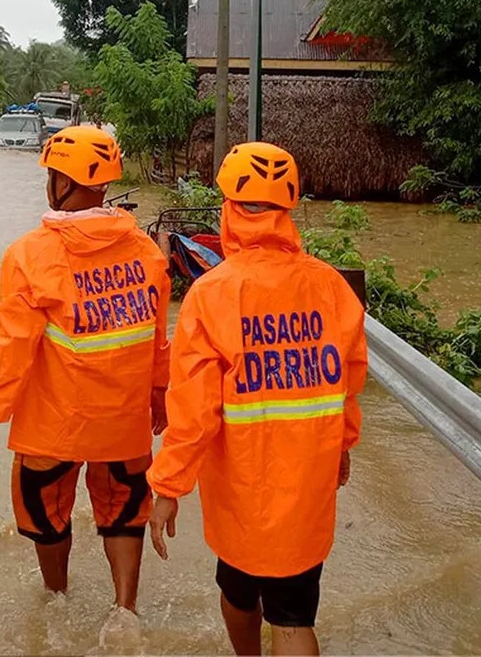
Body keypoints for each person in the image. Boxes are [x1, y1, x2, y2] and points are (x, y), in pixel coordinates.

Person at [146, 143, 369, 657]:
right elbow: (349, 382)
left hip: (241, 492)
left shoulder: (211, 294)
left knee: (238, 590)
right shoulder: (331, 287)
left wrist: (167, 488)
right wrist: (341, 447)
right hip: (308, 484)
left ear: (228, 210)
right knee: (293, 615)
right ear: (287, 211)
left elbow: (194, 412)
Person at [0, 126, 171, 635]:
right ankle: (125, 610)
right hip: (123, 422)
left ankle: (56, 601)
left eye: (52, 175)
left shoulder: (31, 255)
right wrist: (160, 395)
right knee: (124, 512)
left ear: (62, 182)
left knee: (45, 513)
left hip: (54, 425)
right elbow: (157, 338)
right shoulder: (146, 252)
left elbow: (12, 344)